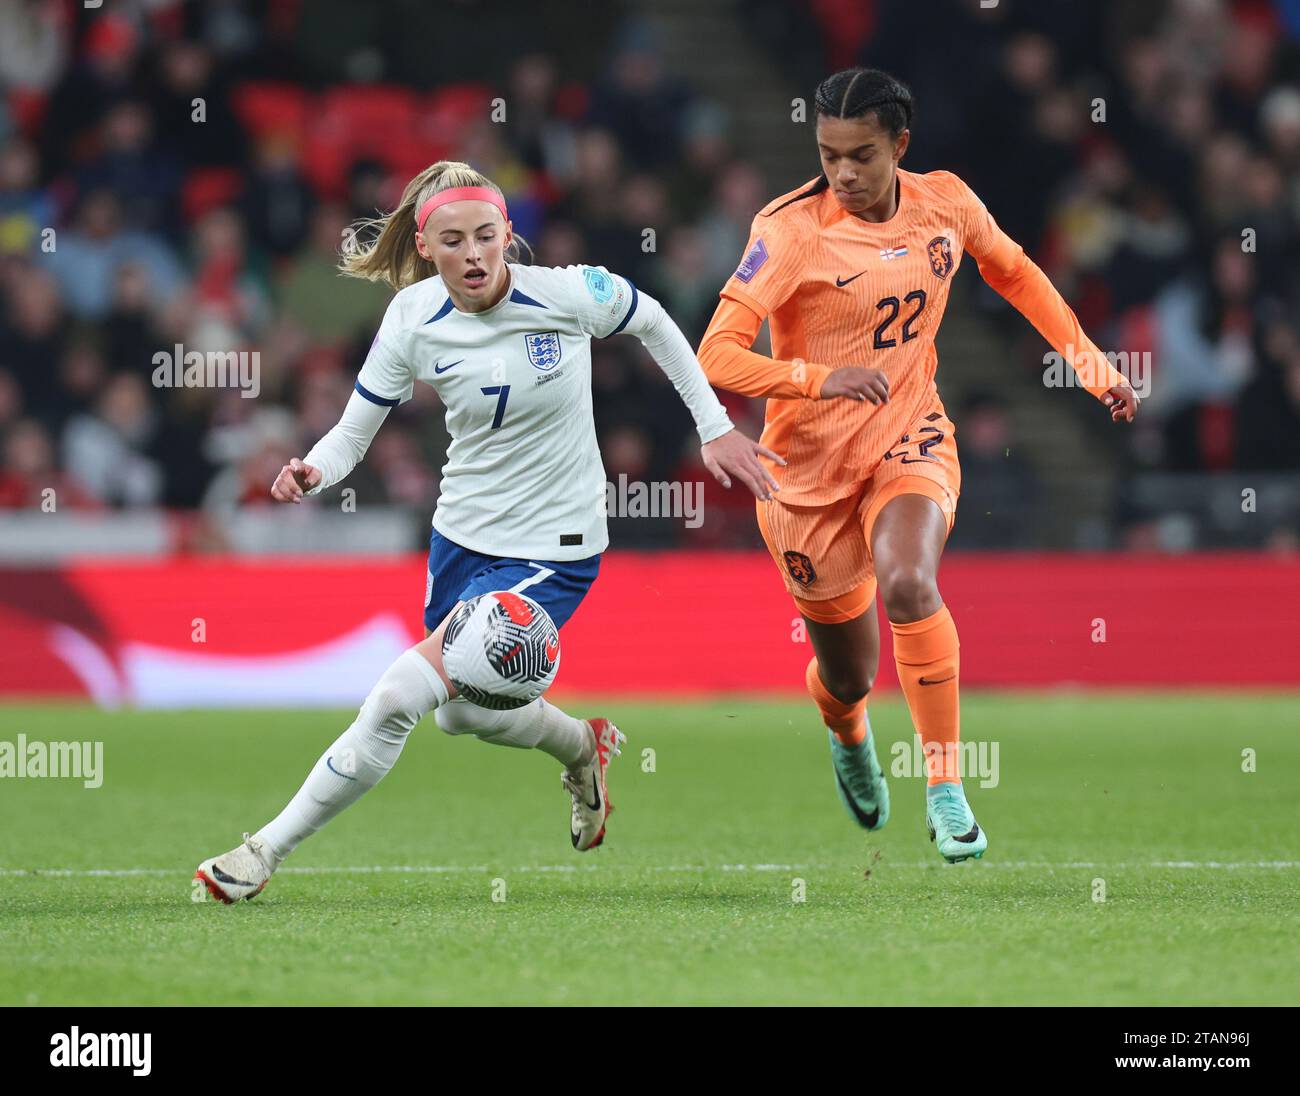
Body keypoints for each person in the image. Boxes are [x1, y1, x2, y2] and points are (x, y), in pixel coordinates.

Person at [195, 161, 778, 901]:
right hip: (463, 537)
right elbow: (352, 432)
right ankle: (580, 747)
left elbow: (656, 321)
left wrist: (716, 428)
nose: (473, 254)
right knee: (463, 714)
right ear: (425, 245)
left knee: (396, 699)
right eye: (453, 240)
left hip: (554, 548)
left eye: (486, 236)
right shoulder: (411, 318)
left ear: (508, 235)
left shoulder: (568, 293)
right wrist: (313, 468)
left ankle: (261, 853)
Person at [698, 69, 1139, 863]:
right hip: (803, 475)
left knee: (907, 582)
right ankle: (847, 731)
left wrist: (1088, 361)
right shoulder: (790, 230)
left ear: (901, 145)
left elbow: (1013, 269)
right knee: (851, 675)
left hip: (909, 435)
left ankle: (945, 790)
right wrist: (815, 377)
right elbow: (716, 354)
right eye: (829, 154)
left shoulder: (945, 202)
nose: (844, 173)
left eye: (862, 154)